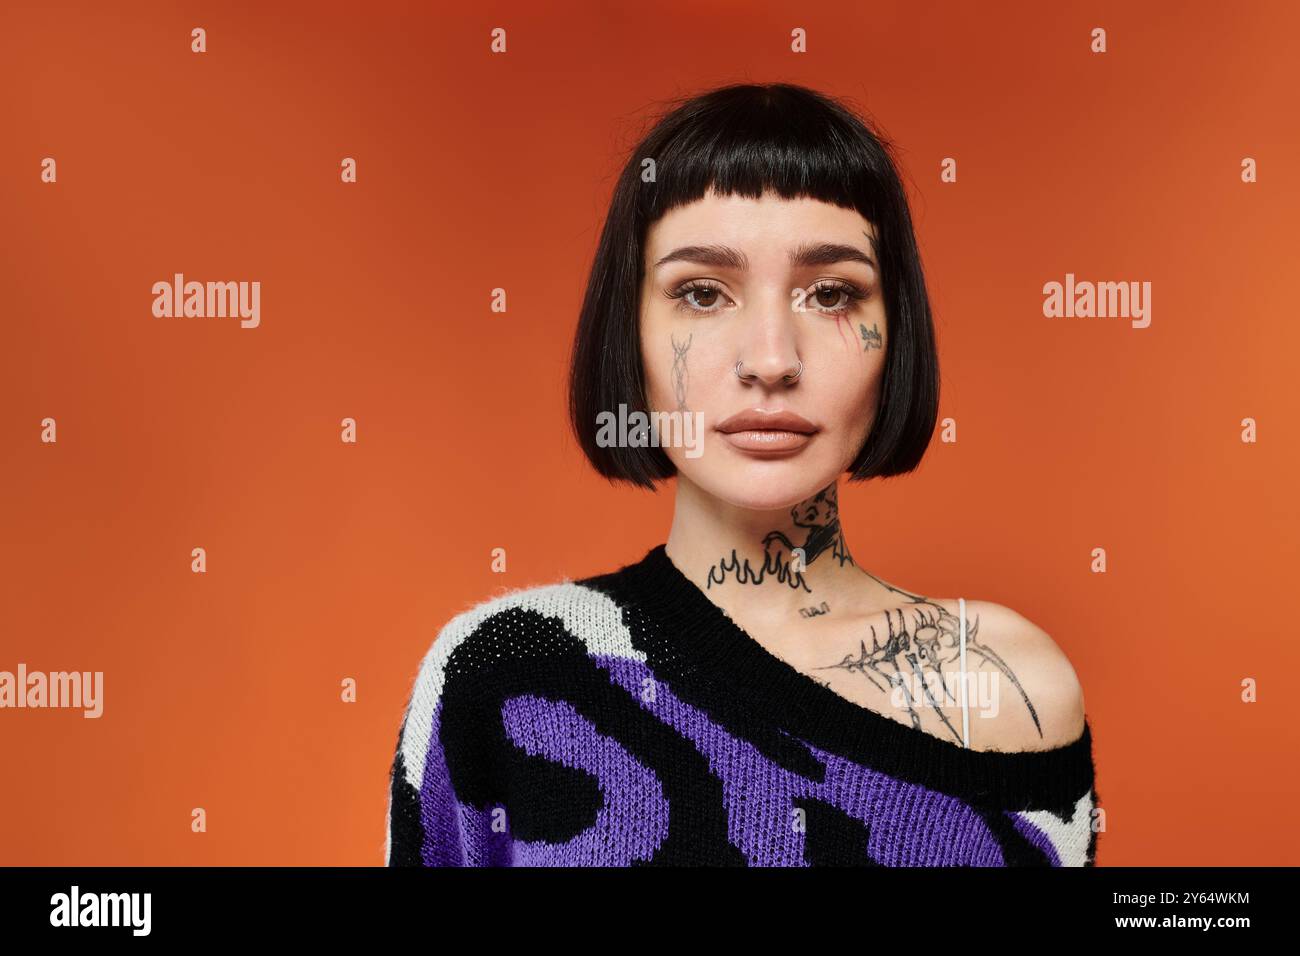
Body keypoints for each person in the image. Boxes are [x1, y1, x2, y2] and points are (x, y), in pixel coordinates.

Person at [386, 82, 1098, 866]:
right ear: (630, 335)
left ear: (897, 333)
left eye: (832, 293)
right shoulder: (508, 670)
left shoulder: (1005, 684)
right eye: (701, 293)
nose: (770, 360)